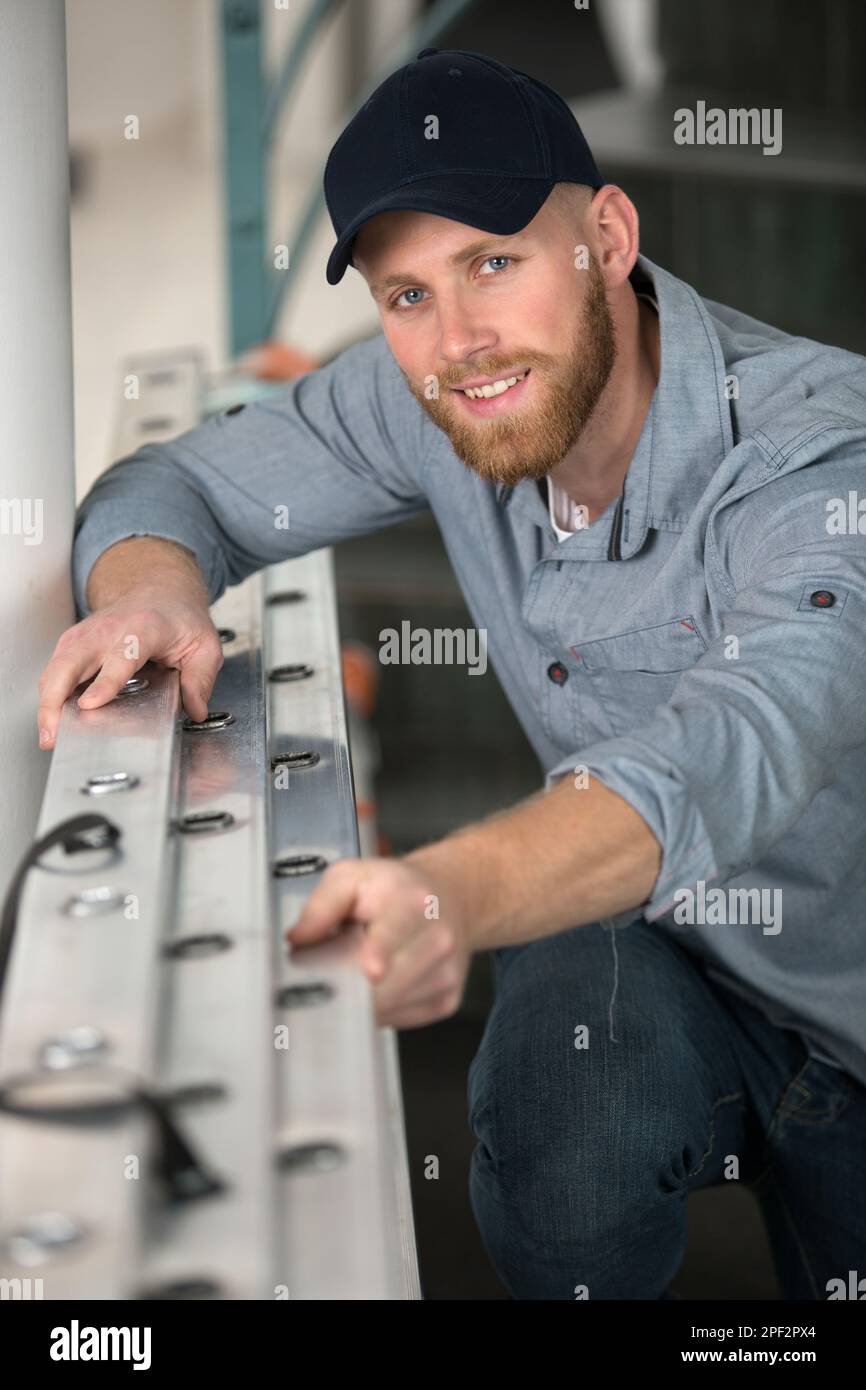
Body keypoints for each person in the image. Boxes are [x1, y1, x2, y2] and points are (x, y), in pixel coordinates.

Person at [39, 49, 866, 1300]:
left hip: (846, 1001)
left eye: (493, 262)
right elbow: (179, 481)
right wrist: (153, 596)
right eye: (404, 293)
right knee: (562, 1139)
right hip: (656, 950)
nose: (459, 341)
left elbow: (736, 744)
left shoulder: (814, 456)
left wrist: (456, 889)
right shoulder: (435, 390)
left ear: (605, 232)